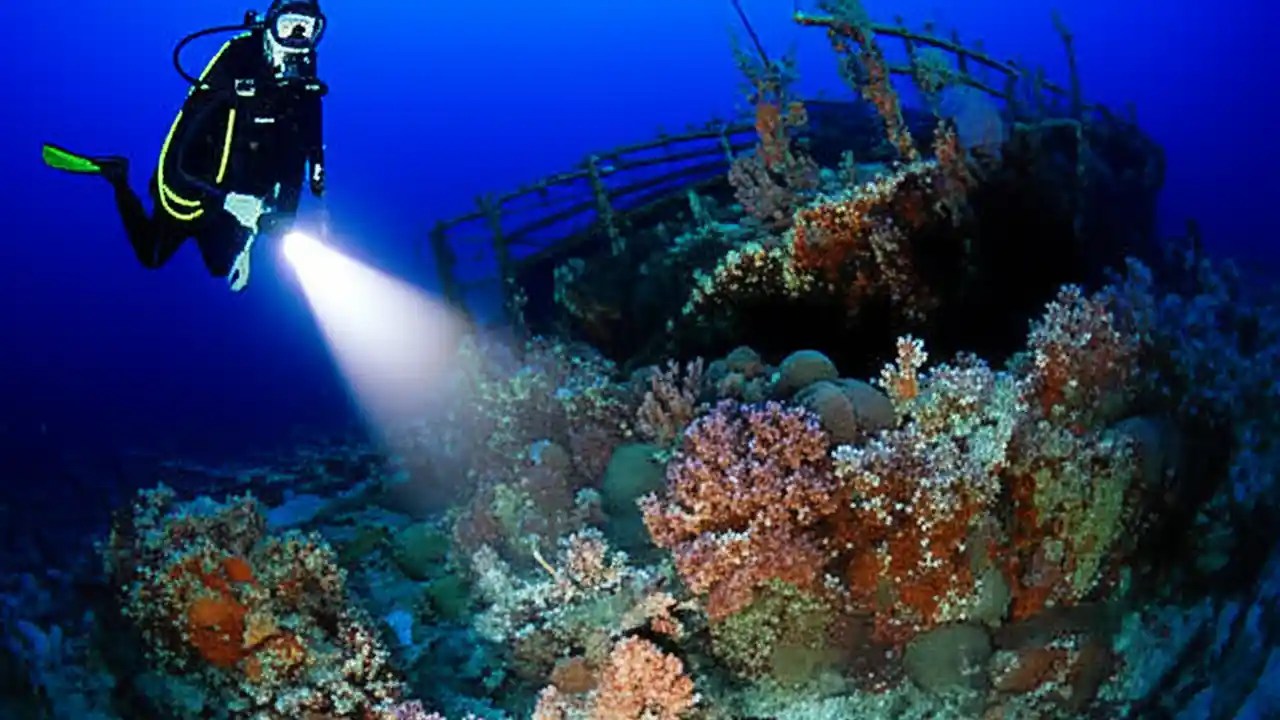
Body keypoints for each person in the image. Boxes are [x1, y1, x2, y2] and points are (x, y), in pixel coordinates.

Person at [42, 0, 329, 291]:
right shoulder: (235, 64)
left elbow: (296, 162)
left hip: (238, 201)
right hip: (192, 188)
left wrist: (255, 238)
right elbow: (181, 160)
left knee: (220, 268)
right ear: (269, 27)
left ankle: (228, 234)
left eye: (305, 28)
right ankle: (117, 176)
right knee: (152, 256)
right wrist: (227, 201)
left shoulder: (303, 90)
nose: (294, 38)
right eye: (287, 25)